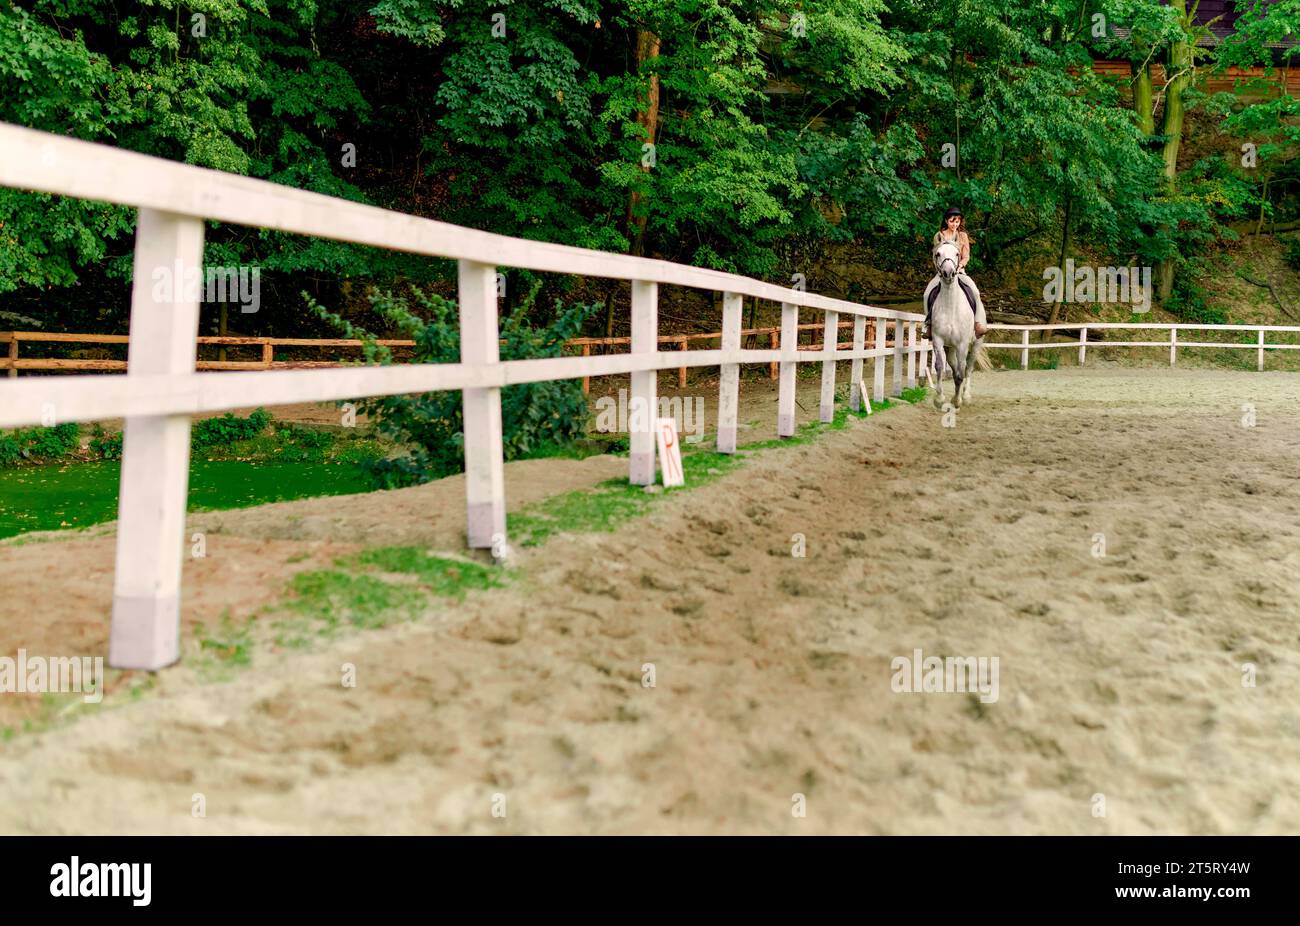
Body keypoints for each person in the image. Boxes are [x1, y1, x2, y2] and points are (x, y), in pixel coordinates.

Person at [926, 206, 987, 339]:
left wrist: (960, 266)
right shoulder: (939, 235)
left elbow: (966, 256)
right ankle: (929, 325)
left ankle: (978, 323)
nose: (955, 224)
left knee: (975, 292)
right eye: (952, 221)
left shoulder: (963, 236)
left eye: (957, 221)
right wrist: (939, 269)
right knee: (926, 294)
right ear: (946, 221)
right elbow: (935, 256)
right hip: (942, 272)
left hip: (959, 271)